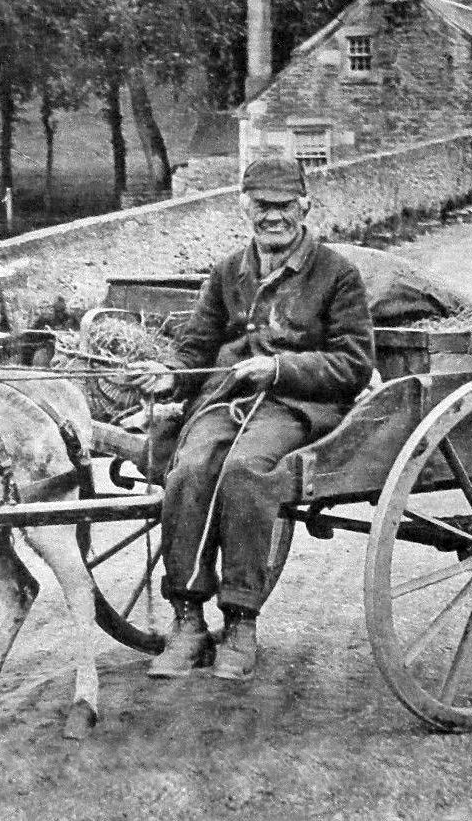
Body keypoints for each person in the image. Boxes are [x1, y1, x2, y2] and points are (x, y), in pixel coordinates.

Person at [128, 156, 375, 681]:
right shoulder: (227, 272)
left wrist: (281, 368)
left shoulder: (336, 275)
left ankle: (240, 621)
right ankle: (189, 621)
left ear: (304, 206)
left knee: (245, 471)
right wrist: (170, 376)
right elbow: (196, 346)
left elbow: (354, 363)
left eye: (284, 206)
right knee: (190, 469)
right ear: (245, 208)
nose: (274, 218)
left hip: (298, 406)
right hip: (226, 400)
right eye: (263, 206)